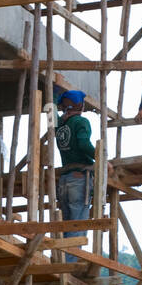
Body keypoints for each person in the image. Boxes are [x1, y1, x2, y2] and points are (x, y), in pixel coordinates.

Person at [54, 88, 96, 237]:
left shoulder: (59, 125)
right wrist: (101, 158)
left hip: (64, 180)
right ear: (79, 105)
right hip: (79, 179)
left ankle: (63, 258)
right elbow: (84, 144)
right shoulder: (81, 121)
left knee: (66, 226)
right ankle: (71, 259)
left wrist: (54, 92)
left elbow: (50, 111)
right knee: (77, 227)